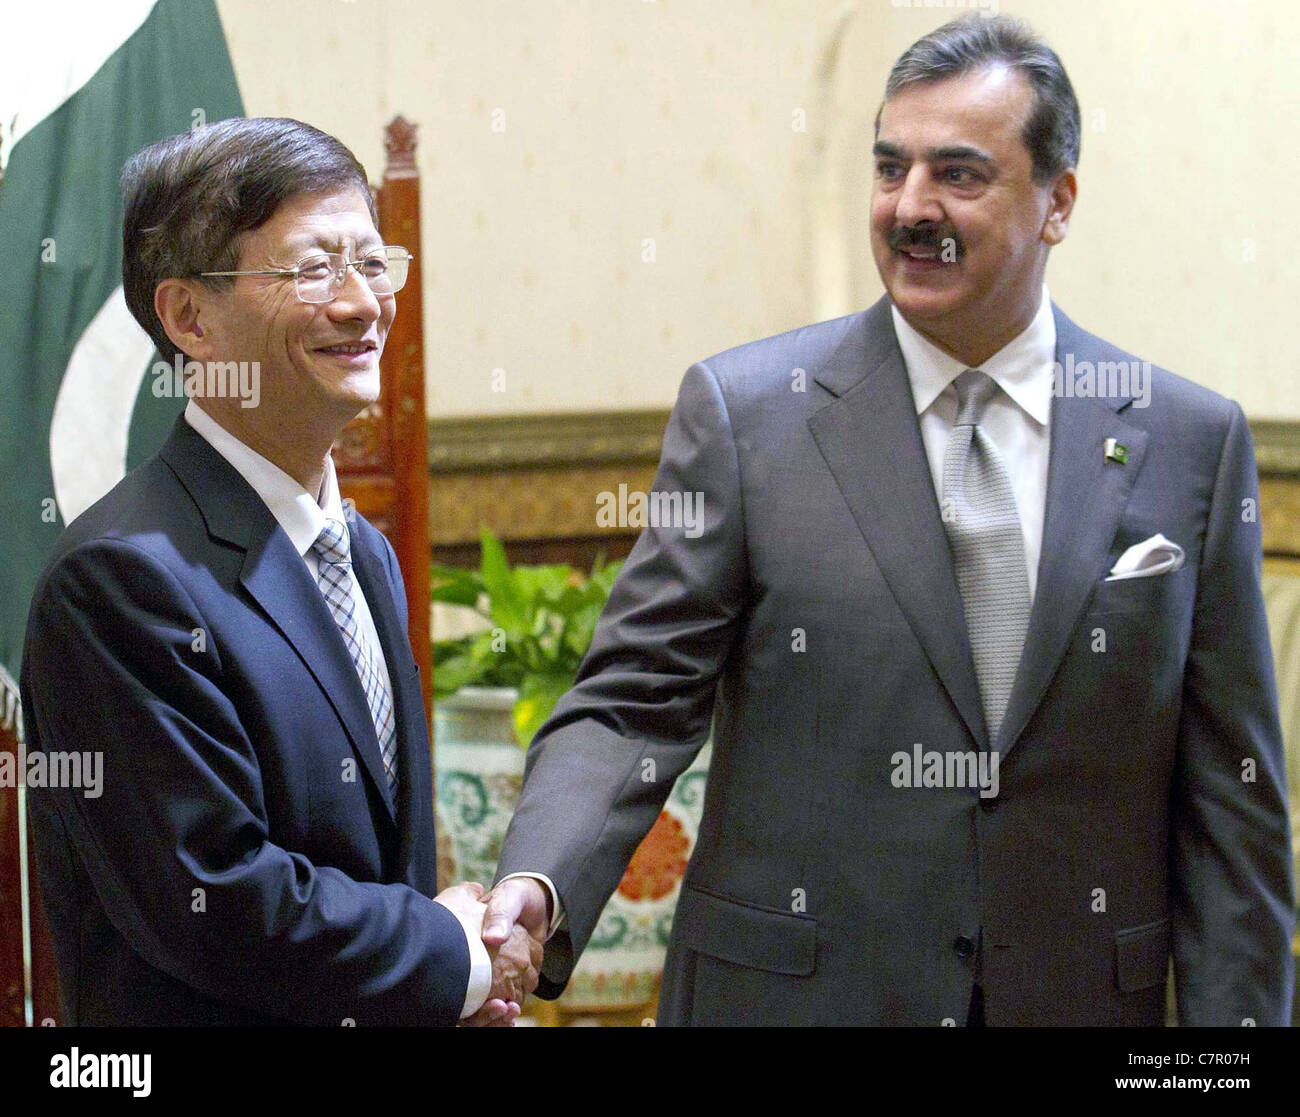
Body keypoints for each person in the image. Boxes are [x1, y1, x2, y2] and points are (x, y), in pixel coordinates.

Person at [483, 16, 1295, 1025]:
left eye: (957, 174)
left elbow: (1232, 806)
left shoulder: (1189, 439)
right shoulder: (749, 415)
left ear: (1057, 203)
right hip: (795, 998)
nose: (911, 207)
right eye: (888, 168)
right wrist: (539, 882)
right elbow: (634, 700)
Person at [21, 117, 539, 1025]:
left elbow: (373, 863)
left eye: (374, 263)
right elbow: (218, 899)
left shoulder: (362, 551)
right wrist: (452, 957)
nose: (361, 303)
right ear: (190, 317)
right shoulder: (117, 581)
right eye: (313, 268)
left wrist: (434, 998)